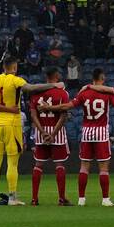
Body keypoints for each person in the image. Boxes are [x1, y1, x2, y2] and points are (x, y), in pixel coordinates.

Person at [0, 56, 65, 206]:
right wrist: (53, 86)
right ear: (14, 67)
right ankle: (12, 197)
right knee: (12, 163)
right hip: (12, 124)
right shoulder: (16, 80)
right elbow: (30, 88)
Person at [57, 68, 114, 206]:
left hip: (86, 132)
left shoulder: (84, 92)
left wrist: (51, 108)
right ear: (102, 77)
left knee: (84, 167)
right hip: (101, 133)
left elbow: (69, 105)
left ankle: (81, 199)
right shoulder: (106, 93)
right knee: (103, 167)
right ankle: (105, 199)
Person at [28, 66, 71, 206]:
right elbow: (63, 115)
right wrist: (52, 133)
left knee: (38, 165)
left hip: (41, 134)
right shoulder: (62, 93)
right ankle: (61, 198)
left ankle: (34, 199)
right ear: (56, 75)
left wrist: (42, 132)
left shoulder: (36, 93)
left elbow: (33, 115)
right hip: (57, 133)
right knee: (59, 165)